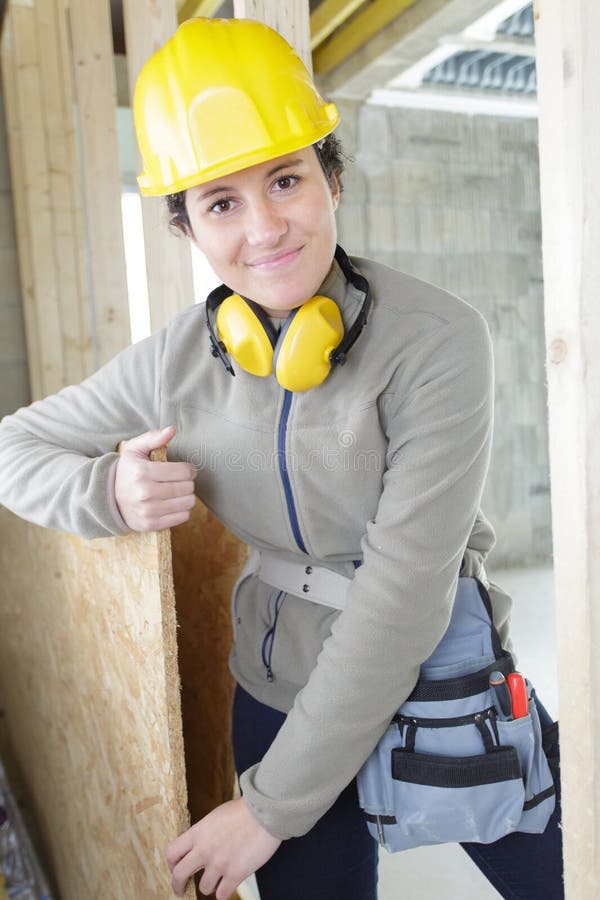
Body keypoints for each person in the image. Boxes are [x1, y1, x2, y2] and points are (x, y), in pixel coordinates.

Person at [0, 16, 562, 900]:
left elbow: (403, 593)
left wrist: (266, 807)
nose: (265, 227)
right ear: (186, 228)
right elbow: (15, 445)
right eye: (221, 201)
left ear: (332, 178)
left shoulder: (439, 339)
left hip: (439, 681)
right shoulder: (177, 359)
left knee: (573, 871)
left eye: (287, 179)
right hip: (276, 690)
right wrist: (104, 488)